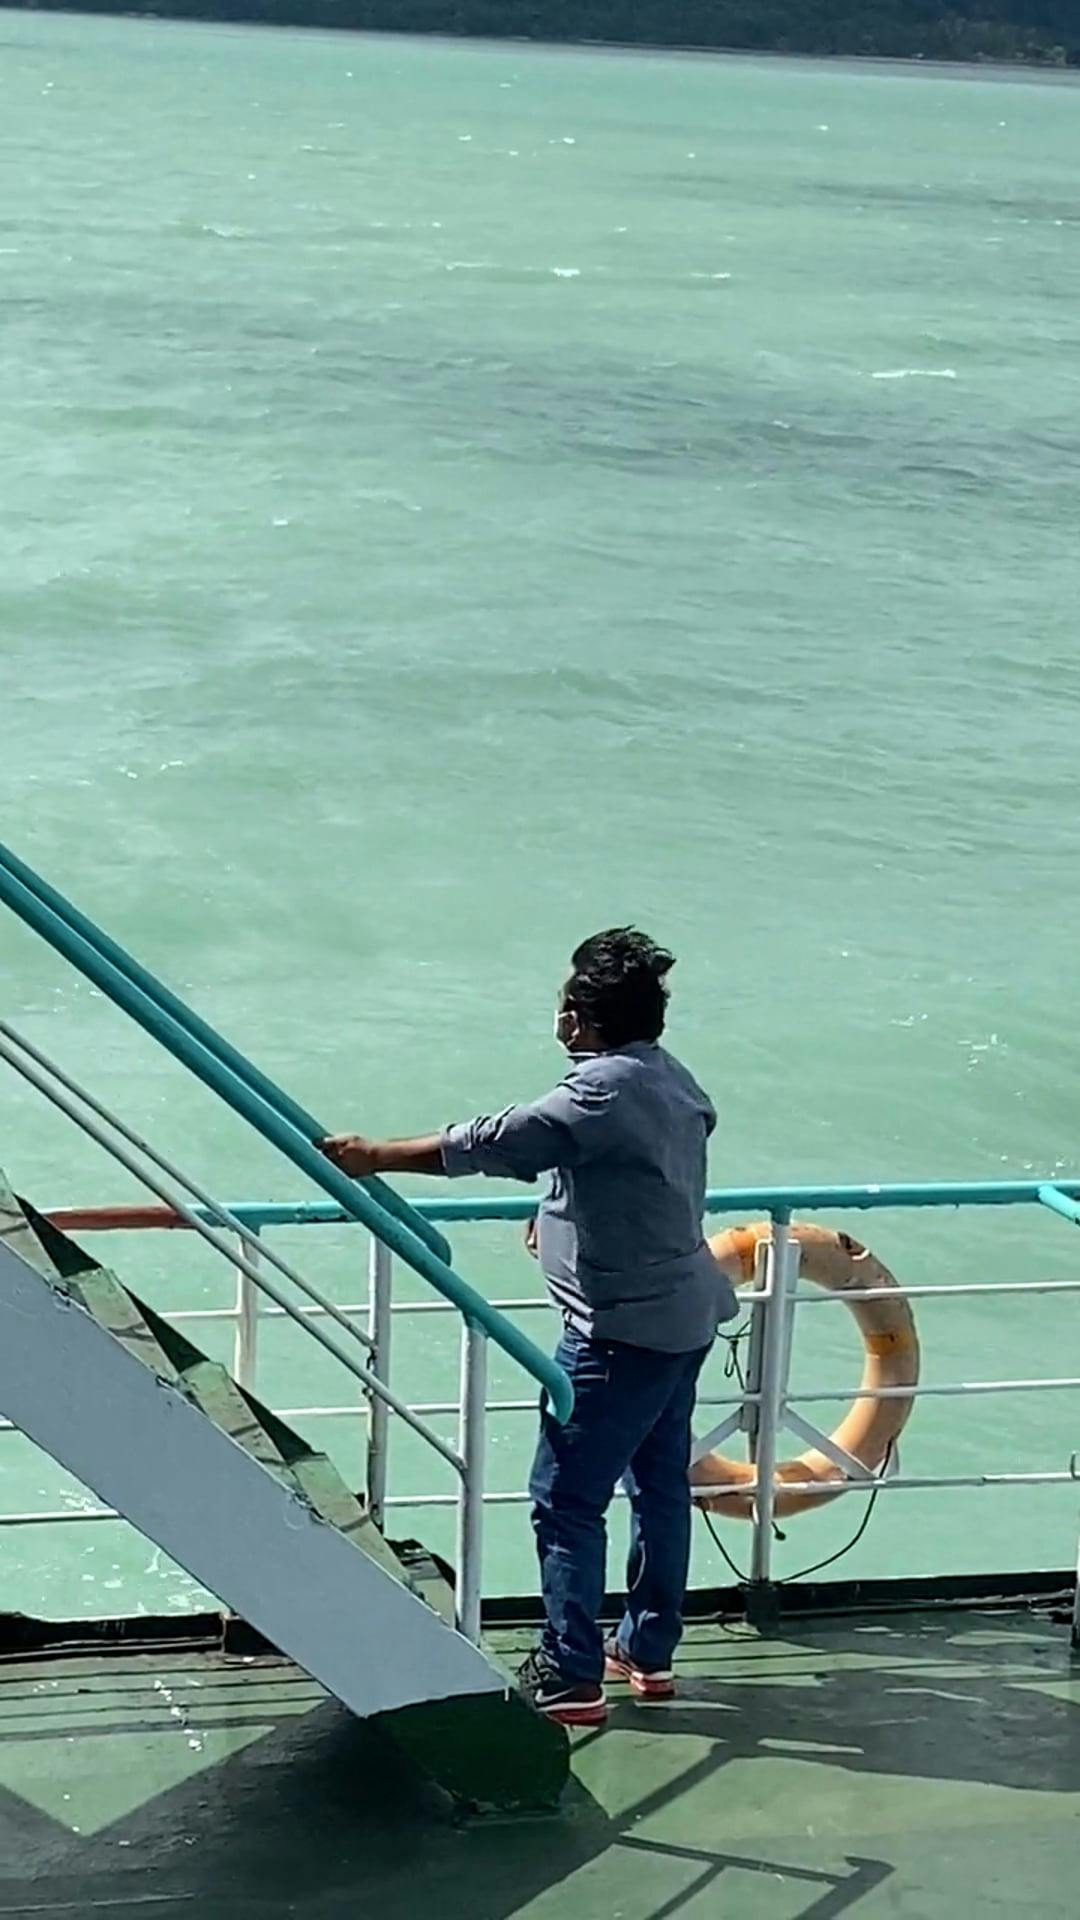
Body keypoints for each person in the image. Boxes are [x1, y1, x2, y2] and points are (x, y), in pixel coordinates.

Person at [319, 927, 737, 1727]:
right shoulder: (670, 1081)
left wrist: (376, 1154)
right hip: (686, 1315)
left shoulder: (597, 1093)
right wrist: (557, 1209)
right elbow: (625, 1172)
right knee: (657, 1488)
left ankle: (571, 1674)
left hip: (618, 1334)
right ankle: (645, 1651)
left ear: (577, 1020)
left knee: (565, 1499)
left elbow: (499, 1140)